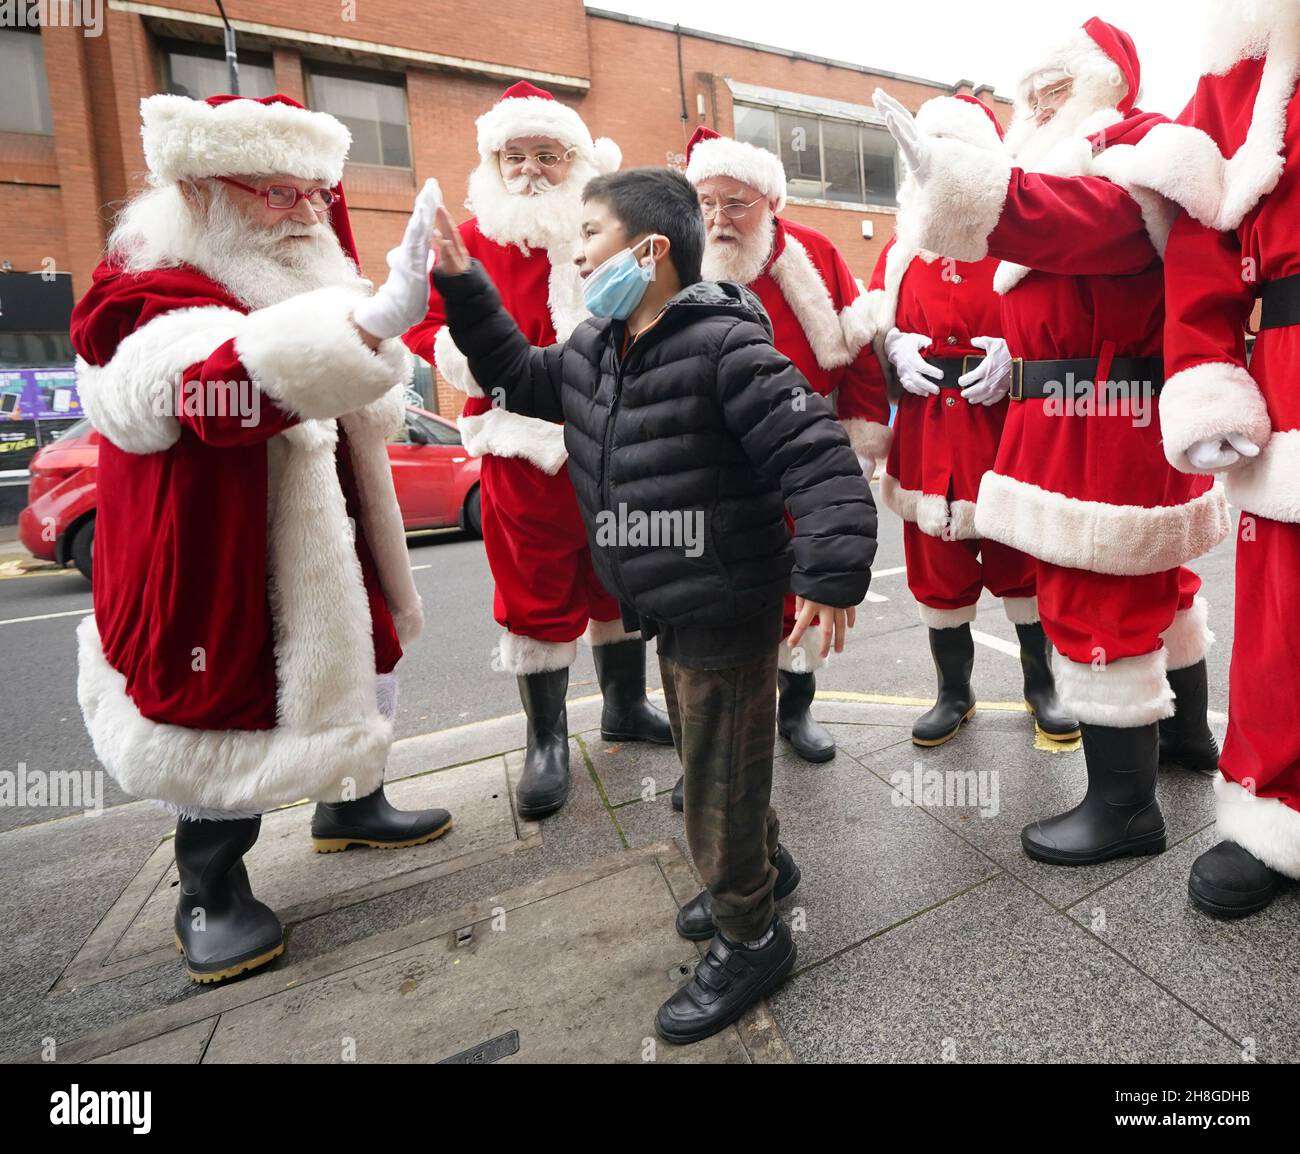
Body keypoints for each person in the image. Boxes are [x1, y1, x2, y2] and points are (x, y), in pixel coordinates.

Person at [428, 166, 876, 1043]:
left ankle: (752, 934)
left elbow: (819, 458)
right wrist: (460, 280)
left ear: (649, 250)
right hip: (669, 601)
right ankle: (767, 869)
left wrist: (826, 578)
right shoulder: (599, 349)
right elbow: (515, 373)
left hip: (727, 599)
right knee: (725, 764)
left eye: (589, 234)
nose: (577, 251)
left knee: (712, 788)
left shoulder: (724, 348)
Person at [70, 93, 450, 983]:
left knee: (366, 660)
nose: (309, 215)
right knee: (220, 704)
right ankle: (208, 889)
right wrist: (359, 326)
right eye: (280, 195)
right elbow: (209, 392)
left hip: (330, 528)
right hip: (220, 551)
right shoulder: (150, 295)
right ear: (202, 192)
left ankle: (350, 805)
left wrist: (373, 326)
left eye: (316, 195)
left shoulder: (307, 269)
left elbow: (368, 404)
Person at [874, 17, 1229, 866]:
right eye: (1029, 91)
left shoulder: (1138, 149)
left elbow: (1087, 223)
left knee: (1096, 595)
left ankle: (1124, 808)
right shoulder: (1074, 161)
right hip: (1083, 407)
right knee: (1161, 586)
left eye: (1056, 86)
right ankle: (1185, 738)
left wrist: (965, 182)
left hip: (1097, 417)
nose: (1037, 102)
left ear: (1107, 82)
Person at [405, 82, 669, 822]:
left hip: (611, 439)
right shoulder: (468, 238)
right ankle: (546, 741)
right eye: (513, 156)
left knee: (619, 580)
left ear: (577, 159)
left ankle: (625, 705)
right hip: (519, 446)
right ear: (492, 161)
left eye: (547, 156)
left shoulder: (609, 227)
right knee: (535, 594)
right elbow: (424, 328)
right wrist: (466, 358)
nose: (530, 171)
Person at [1125, 0, 1300, 914]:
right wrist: (1204, 367)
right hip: (1294, 362)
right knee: (1283, 616)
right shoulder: (1244, 65)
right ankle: (1276, 809)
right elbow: (1200, 239)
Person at [869, 94, 1077, 748]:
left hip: (1004, 430)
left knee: (1021, 563)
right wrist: (892, 345)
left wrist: (1018, 358)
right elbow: (874, 319)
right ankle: (953, 692)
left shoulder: (1018, 245)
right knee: (936, 566)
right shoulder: (900, 249)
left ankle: (1040, 686)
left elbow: (1058, 329)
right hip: (930, 428)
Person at [682, 125, 889, 769]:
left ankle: (796, 708)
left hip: (800, 455)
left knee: (803, 583)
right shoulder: (681, 259)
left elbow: (857, 353)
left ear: (770, 204)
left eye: (735, 203)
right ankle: (718, 738)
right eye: (707, 203)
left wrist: (858, 437)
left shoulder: (816, 253)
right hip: (714, 465)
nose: (719, 219)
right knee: (719, 592)